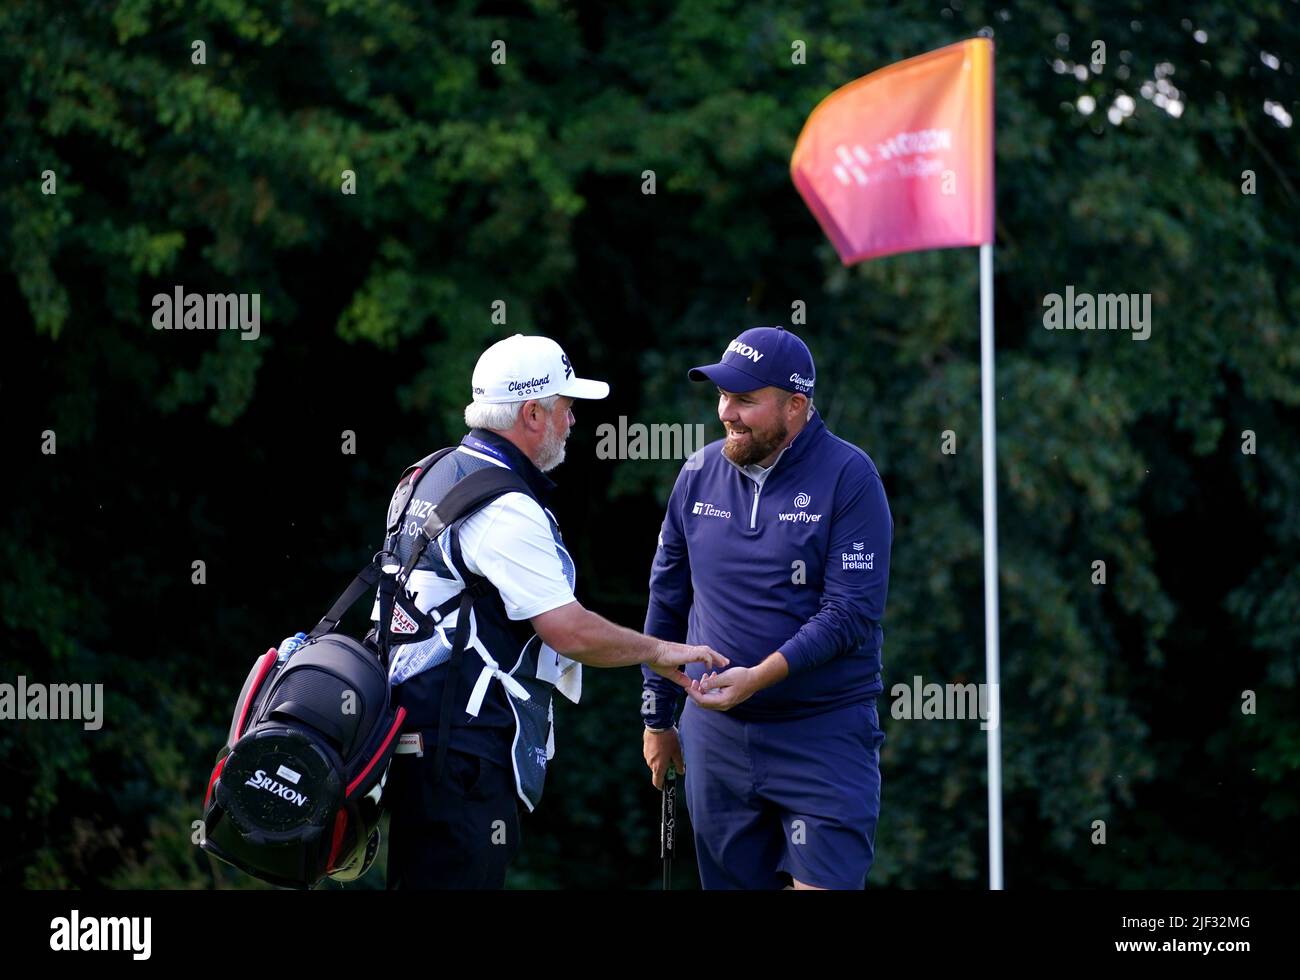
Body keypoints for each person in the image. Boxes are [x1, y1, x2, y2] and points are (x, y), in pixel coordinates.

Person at [379, 333, 726, 889]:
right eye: (566, 406)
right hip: (464, 753)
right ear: (533, 413)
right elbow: (568, 631)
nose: (572, 421)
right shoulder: (505, 507)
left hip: (414, 738)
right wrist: (659, 651)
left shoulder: (428, 472)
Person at [639, 325, 892, 890]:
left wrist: (759, 677)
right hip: (717, 739)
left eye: (746, 400)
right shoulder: (697, 473)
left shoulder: (850, 477)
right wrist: (657, 717)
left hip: (823, 734)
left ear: (795, 405)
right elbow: (668, 599)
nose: (726, 412)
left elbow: (851, 612)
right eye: (722, 395)